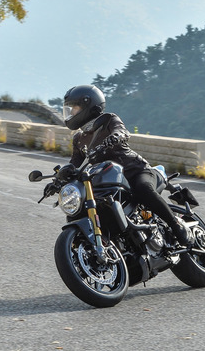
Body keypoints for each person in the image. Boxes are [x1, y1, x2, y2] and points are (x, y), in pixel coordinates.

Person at [58, 84, 194, 247]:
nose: (71, 113)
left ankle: (176, 225)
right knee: (82, 206)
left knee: (143, 189)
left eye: (75, 108)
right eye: (70, 109)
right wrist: (60, 178)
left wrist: (115, 137)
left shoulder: (108, 120)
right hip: (110, 179)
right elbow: (75, 164)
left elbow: (121, 131)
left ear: (89, 105)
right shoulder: (79, 139)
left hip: (136, 171)